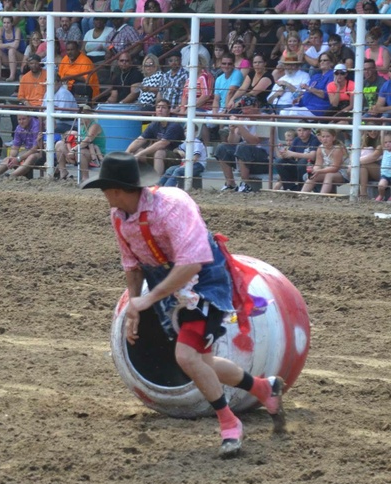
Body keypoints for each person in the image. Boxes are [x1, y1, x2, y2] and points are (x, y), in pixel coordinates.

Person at [80, 151, 286, 458]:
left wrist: (148, 299)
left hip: (204, 280)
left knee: (187, 357)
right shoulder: (119, 217)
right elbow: (132, 265)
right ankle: (261, 388)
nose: (104, 195)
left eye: (104, 189)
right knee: (201, 362)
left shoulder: (173, 205)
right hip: (169, 283)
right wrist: (135, 307)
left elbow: (192, 262)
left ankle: (230, 423)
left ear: (116, 190)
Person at [214, 95, 271, 192]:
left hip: (264, 158)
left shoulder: (265, 118)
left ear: (256, 106)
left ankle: (245, 183)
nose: (245, 111)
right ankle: (230, 183)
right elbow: (232, 142)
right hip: (245, 155)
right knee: (222, 147)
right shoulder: (243, 119)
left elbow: (254, 141)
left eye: (248, 108)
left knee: (243, 146)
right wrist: (232, 131)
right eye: (244, 109)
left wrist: (239, 125)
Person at [125, 99, 183, 176]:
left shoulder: (174, 125)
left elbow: (162, 144)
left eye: (163, 107)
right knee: (137, 150)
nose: (160, 110)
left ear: (169, 110)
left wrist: (140, 153)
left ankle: (156, 182)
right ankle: (139, 178)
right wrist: (127, 152)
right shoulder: (154, 124)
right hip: (161, 155)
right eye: (158, 107)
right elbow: (140, 140)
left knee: (159, 152)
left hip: (177, 155)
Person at [54, 104, 105, 181]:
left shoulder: (95, 126)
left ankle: (85, 177)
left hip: (94, 153)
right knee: (59, 144)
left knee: (80, 152)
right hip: (82, 149)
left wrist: (73, 149)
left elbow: (87, 140)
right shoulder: (82, 126)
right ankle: (63, 171)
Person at [300, 128, 348, 194]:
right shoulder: (320, 148)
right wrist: (315, 170)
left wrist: (319, 171)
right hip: (327, 170)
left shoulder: (337, 149)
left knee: (329, 175)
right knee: (313, 176)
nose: (325, 139)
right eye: (323, 136)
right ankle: (302, 194)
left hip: (342, 172)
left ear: (333, 138)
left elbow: (335, 168)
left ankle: (322, 196)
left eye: (328, 136)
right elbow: (318, 164)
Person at [273, 126, 320, 191]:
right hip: (298, 166)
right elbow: (289, 155)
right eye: (299, 130)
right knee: (279, 161)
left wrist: (293, 154)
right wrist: (284, 154)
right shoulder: (297, 140)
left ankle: (300, 188)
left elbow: (312, 156)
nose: (301, 133)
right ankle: (290, 188)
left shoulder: (314, 139)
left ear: (309, 131)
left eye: (304, 130)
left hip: (311, 167)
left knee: (302, 162)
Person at [0, 16, 24, 82]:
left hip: (20, 58)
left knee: (11, 51)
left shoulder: (17, 30)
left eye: (8, 23)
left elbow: (16, 46)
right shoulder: (0, 30)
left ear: (12, 23)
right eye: (4, 23)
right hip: (7, 58)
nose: (6, 25)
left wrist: (2, 45)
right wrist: (9, 45)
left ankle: (12, 76)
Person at [375, 132, 391, 201]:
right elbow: (382, 136)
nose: (387, 143)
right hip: (385, 175)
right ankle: (381, 195)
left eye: (390, 142)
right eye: (386, 142)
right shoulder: (384, 150)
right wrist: (383, 125)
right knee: (381, 186)